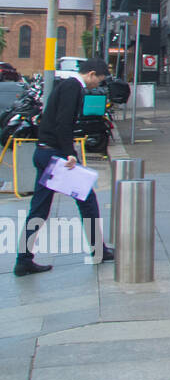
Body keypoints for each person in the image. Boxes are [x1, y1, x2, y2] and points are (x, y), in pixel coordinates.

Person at [14, 58, 114, 276]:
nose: (98, 84)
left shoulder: (68, 86)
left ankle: (23, 260)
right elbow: (64, 122)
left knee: (40, 208)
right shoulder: (73, 87)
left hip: (45, 152)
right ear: (92, 74)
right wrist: (69, 152)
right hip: (56, 156)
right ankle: (99, 251)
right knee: (87, 200)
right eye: (100, 79)